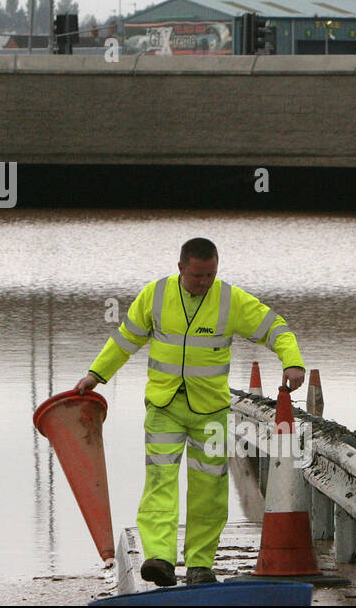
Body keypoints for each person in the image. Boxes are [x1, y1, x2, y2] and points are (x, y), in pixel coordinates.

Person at [74, 237, 305, 587]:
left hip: (210, 413)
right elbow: (126, 339)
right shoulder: (155, 295)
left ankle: (199, 564)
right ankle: (160, 559)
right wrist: (96, 374)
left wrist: (293, 363)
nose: (204, 282)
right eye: (197, 276)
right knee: (160, 481)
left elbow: (276, 328)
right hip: (164, 407)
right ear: (181, 268)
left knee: (209, 489)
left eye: (210, 274)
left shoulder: (230, 299)